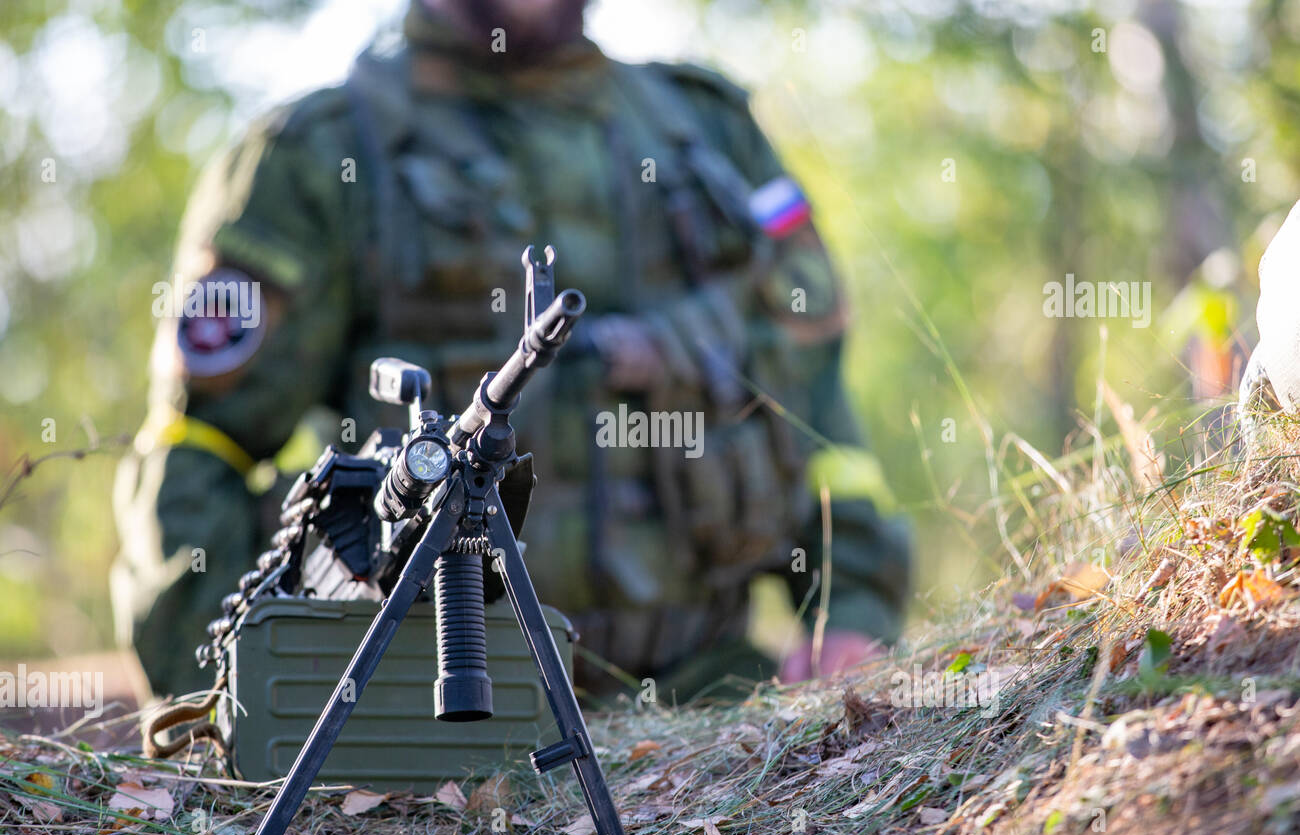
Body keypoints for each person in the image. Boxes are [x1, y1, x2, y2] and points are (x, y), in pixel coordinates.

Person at [111, 0, 912, 702]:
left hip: (711, 697)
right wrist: (231, 708)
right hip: (434, 722)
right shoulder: (317, 157)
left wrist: (852, 611)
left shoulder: (708, 133)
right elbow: (196, 451)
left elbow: (807, 400)